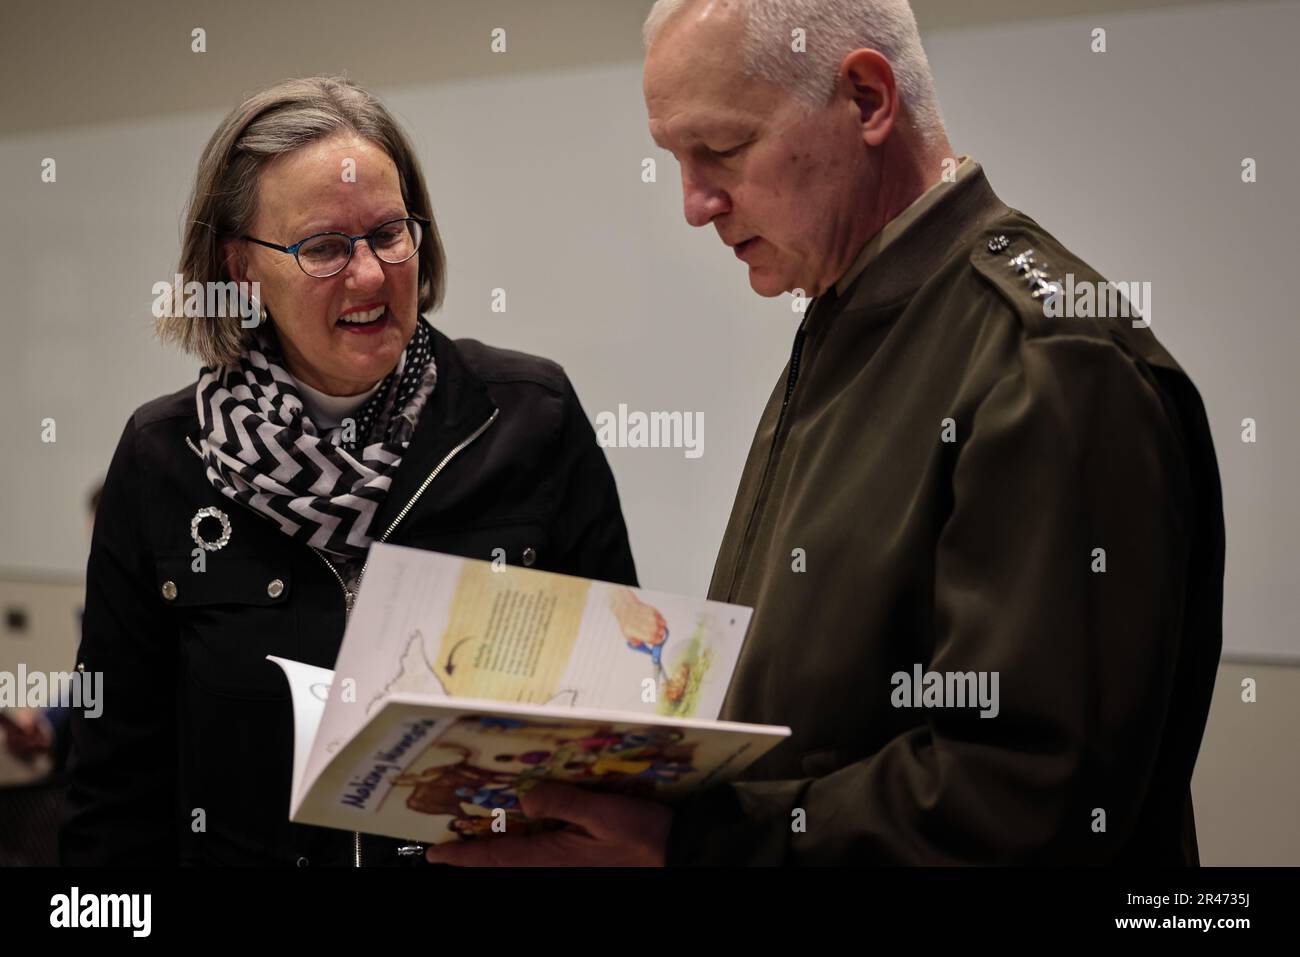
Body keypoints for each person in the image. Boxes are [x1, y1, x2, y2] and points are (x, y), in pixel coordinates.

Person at [425, 0, 1224, 867]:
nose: (696, 204)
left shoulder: (1051, 360)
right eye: (676, 160)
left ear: (869, 100)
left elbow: (1025, 802)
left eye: (721, 150)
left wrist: (689, 845)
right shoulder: (851, 311)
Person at [60, 75, 637, 866]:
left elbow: (619, 721)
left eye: (389, 234)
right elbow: (113, 798)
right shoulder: (164, 457)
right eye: (324, 247)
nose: (369, 275)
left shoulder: (529, 417)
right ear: (239, 268)